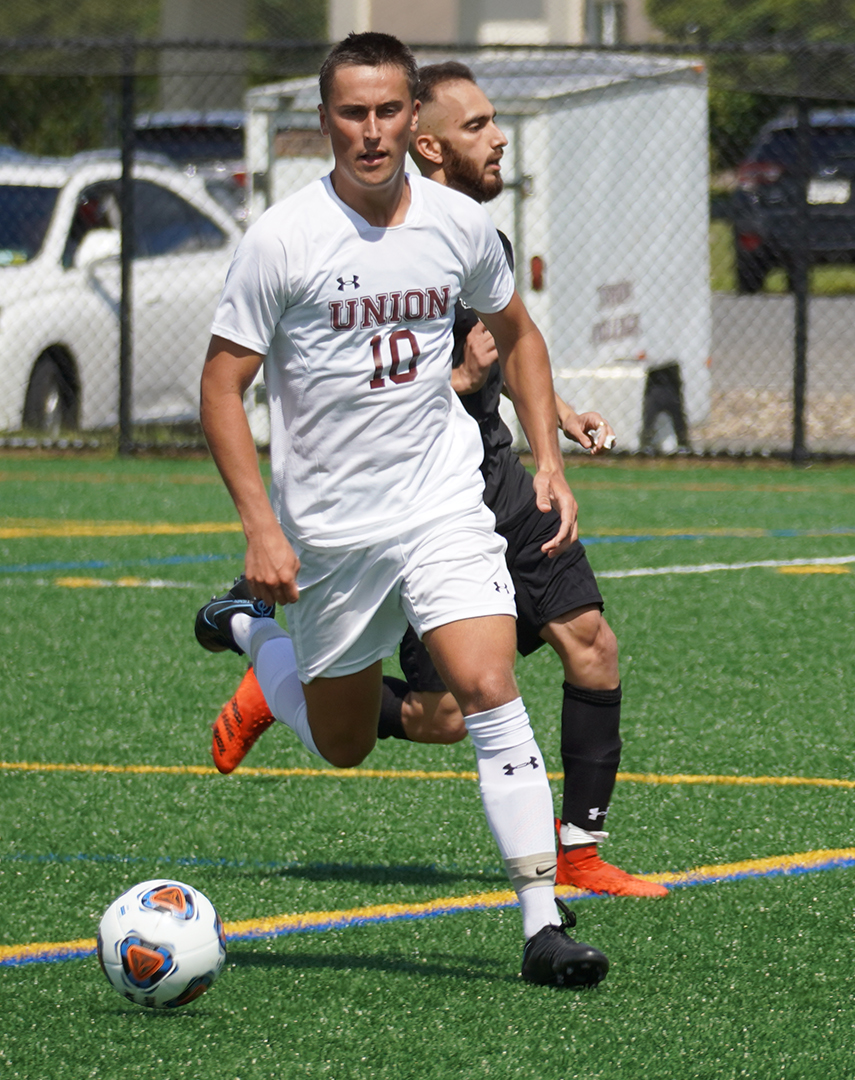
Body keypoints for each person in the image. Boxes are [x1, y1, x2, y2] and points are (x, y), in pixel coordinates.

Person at [194, 32, 611, 987]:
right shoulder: (282, 241)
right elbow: (223, 389)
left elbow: (521, 336)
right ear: (325, 121)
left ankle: (543, 926)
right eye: (352, 113)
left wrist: (548, 458)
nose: (371, 132)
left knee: (486, 685)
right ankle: (257, 633)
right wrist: (261, 528)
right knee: (343, 745)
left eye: (388, 112)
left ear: (412, 116)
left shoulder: (459, 228)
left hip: (439, 501)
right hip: (334, 531)